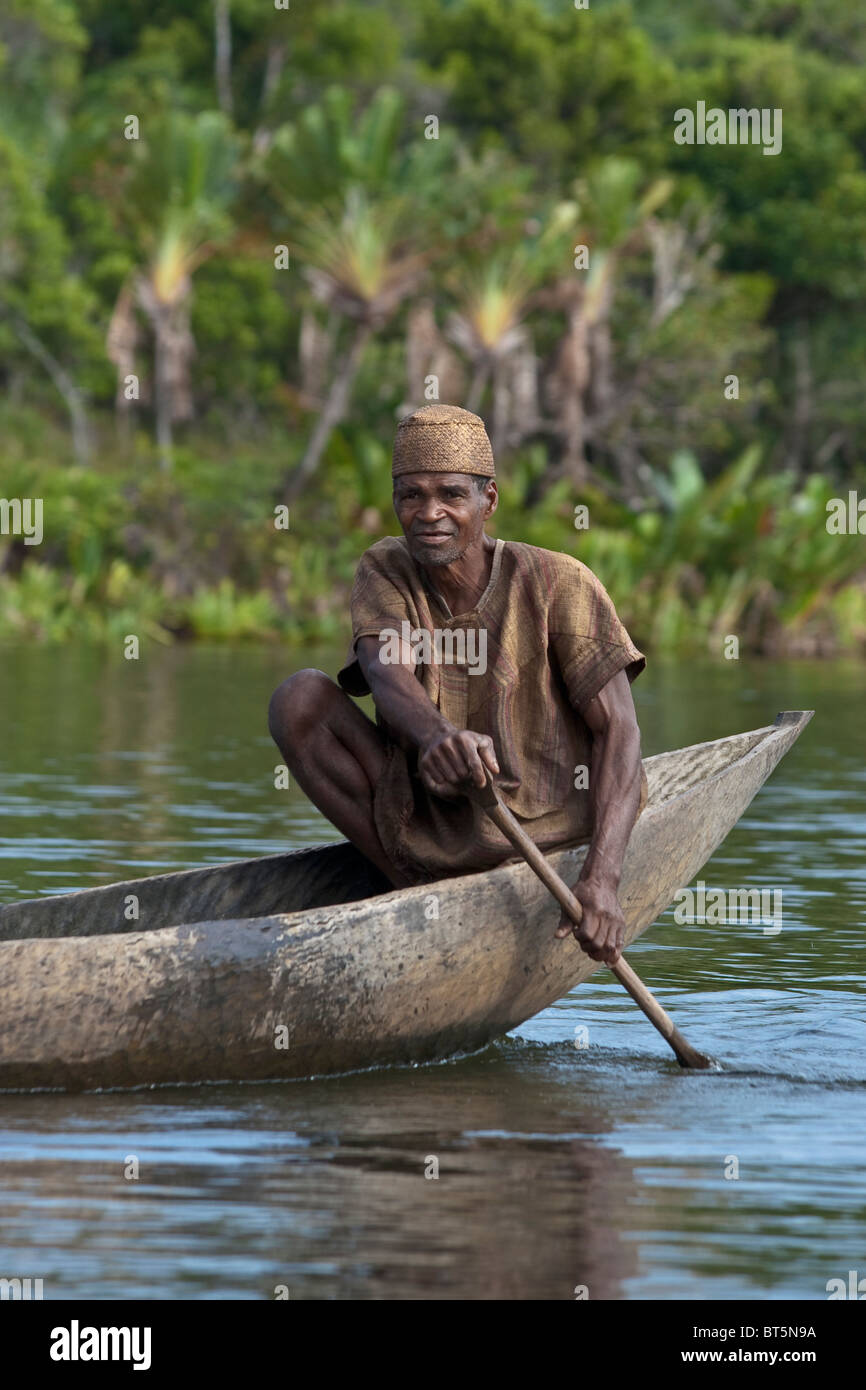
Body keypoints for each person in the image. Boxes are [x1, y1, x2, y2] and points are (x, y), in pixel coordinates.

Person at [268, 403, 647, 964]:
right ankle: (408, 883)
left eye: (451, 494)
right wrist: (438, 736)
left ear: (487, 501)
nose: (430, 513)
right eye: (411, 496)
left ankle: (448, 888)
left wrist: (603, 879)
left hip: (545, 835)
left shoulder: (557, 582)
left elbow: (621, 732)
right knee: (298, 698)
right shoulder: (386, 568)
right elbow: (384, 667)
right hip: (427, 825)